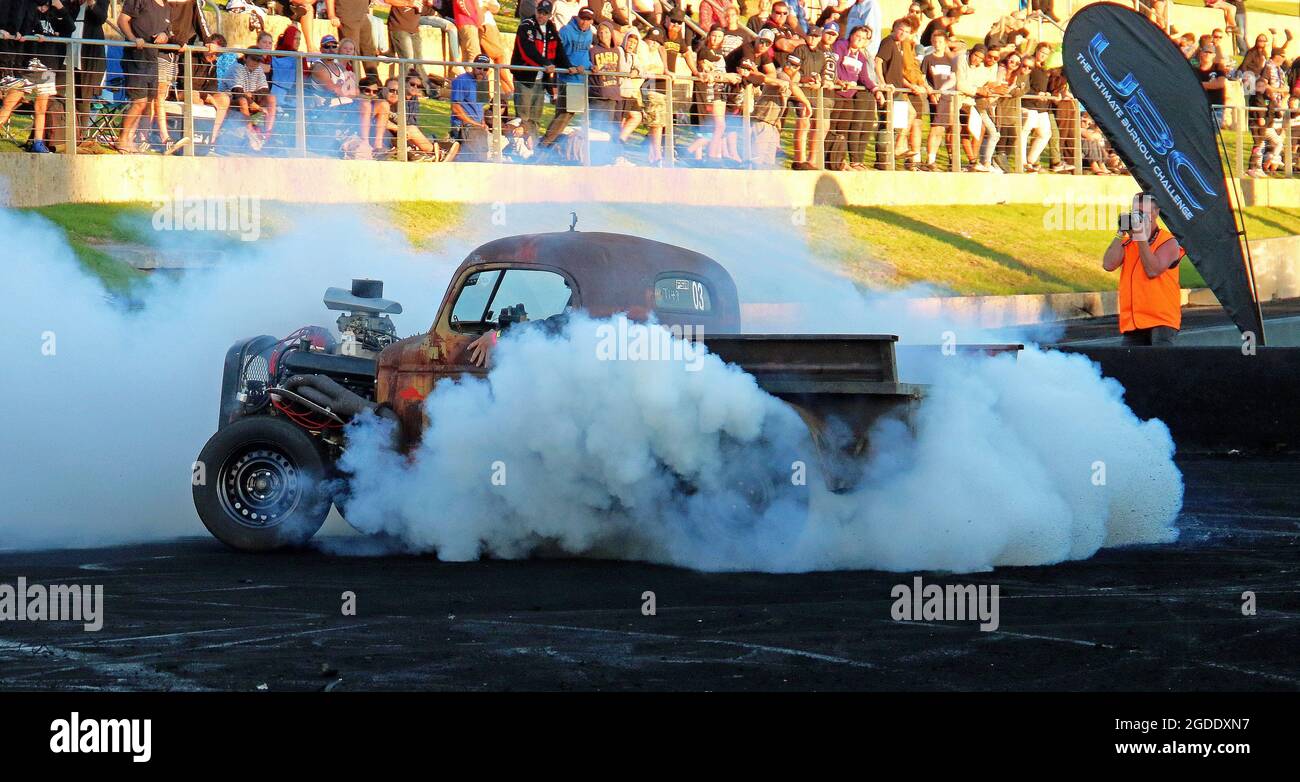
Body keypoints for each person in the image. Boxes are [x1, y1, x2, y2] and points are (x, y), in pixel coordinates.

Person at [1102, 193, 1186, 346]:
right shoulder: (1129, 242)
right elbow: (1108, 265)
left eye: (1142, 213)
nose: (1138, 217)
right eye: (1135, 213)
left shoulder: (1168, 242)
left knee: (1159, 366)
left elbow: (1152, 270)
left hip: (1161, 322)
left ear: (1156, 213)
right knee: (1130, 368)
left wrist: (1140, 237)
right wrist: (1120, 233)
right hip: (1134, 322)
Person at [0, 0, 74, 153]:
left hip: (47, 65)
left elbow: (70, 27)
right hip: (28, 64)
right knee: (10, 103)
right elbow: (21, 27)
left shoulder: (54, 14)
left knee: (41, 107)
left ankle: (38, 142)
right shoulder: (28, 8)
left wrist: (59, 6)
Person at [511, 0, 573, 143]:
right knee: (523, 117)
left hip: (541, 80)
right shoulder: (526, 26)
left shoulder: (551, 27)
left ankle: (532, 150)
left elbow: (558, 50)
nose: (541, 16)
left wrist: (568, 65)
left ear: (550, 15)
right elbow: (527, 50)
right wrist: (545, 63)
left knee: (535, 118)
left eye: (545, 13)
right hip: (524, 78)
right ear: (536, 11)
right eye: (539, 12)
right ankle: (519, 149)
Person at [828, 24, 881, 171]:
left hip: (849, 96)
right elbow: (835, 65)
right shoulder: (841, 46)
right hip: (837, 92)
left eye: (863, 38)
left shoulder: (861, 57)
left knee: (844, 129)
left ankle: (840, 160)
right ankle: (828, 160)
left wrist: (876, 89)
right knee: (832, 127)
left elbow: (864, 77)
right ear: (851, 35)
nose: (859, 39)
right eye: (857, 36)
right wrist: (839, 81)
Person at [540, 5, 593, 147]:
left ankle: (547, 144)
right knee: (566, 113)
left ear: (591, 21)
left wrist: (589, 66)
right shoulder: (566, 31)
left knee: (565, 113)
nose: (584, 22)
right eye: (582, 19)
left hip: (580, 78)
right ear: (578, 17)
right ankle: (545, 143)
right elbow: (556, 52)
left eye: (588, 20)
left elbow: (585, 54)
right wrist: (568, 67)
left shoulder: (589, 34)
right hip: (567, 77)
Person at [450, 54, 491, 158]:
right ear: (473, 66)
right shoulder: (461, 80)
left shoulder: (484, 81)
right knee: (476, 157)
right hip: (463, 126)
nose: (481, 71)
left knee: (483, 156)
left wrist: (482, 123)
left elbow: (480, 107)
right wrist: (474, 123)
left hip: (478, 126)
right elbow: (456, 108)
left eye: (485, 69)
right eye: (479, 67)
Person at [325, 0, 377, 79]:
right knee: (352, 52)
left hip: (363, 14)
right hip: (347, 14)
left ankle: (374, 84)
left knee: (369, 51)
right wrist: (331, 15)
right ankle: (355, 85)